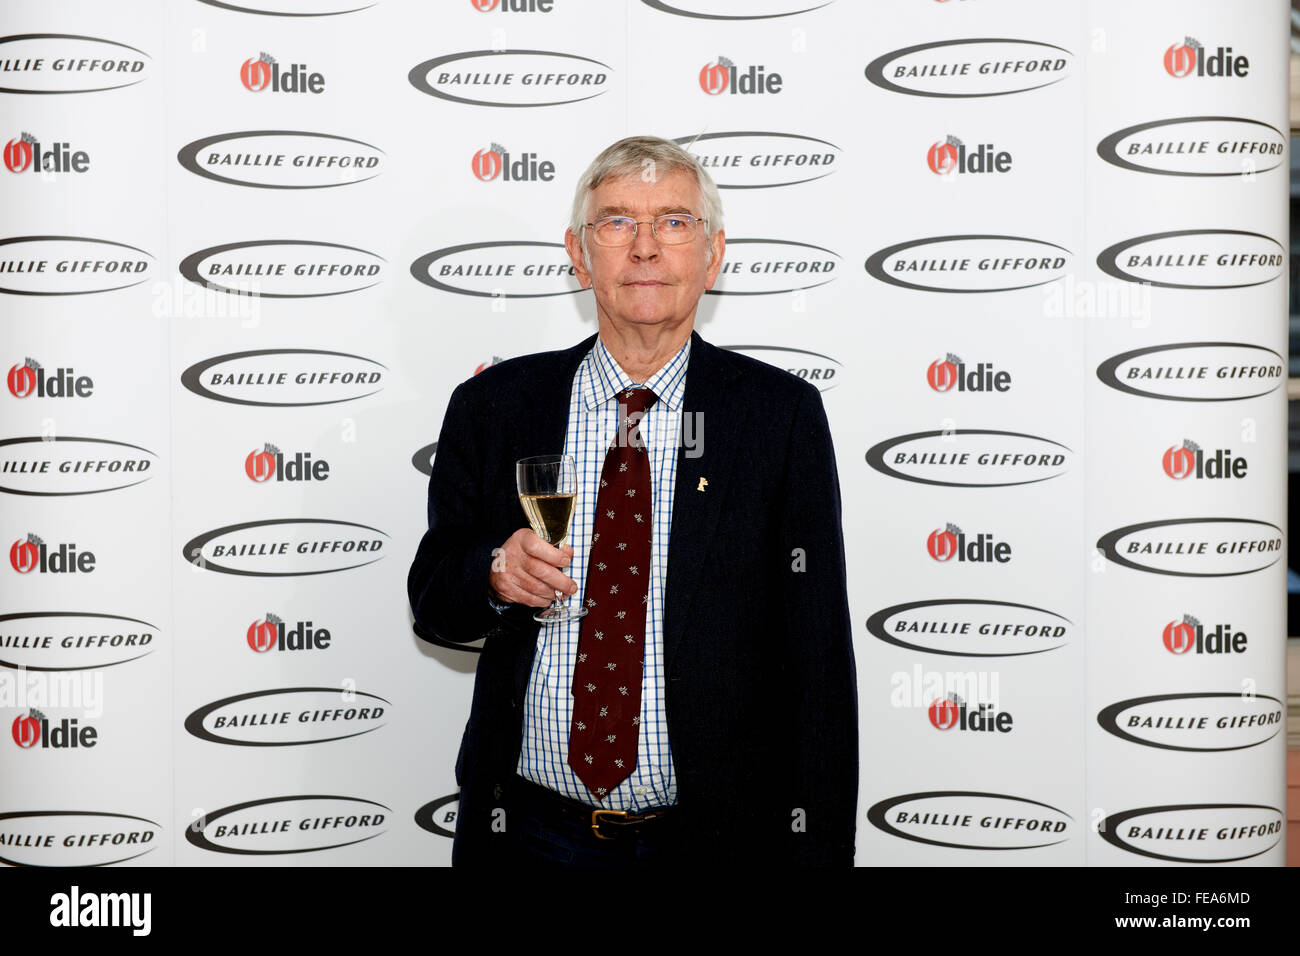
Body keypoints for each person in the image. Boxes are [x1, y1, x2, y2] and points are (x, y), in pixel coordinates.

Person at [408, 135, 857, 866]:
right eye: (617, 222)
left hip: (716, 842)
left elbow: (819, 665)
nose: (645, 248)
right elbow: (433, 601)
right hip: (527, 835)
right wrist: (493, 575)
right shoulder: (495, 406)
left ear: (711, 258)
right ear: (578, 255)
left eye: (674, 223)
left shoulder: (779, 418)